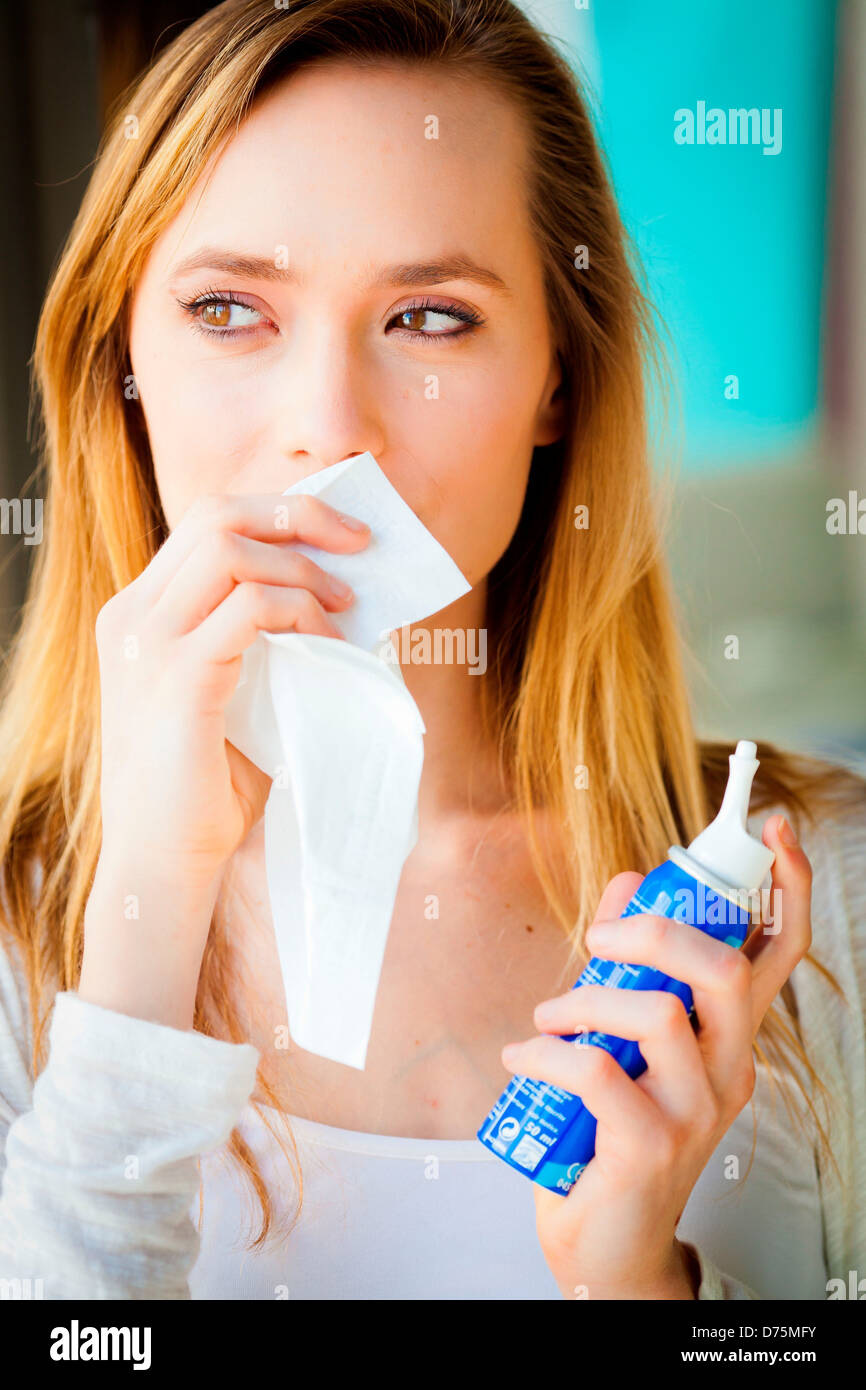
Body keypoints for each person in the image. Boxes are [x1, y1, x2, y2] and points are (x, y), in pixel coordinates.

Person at [0, 0, 863, 1301]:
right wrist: (143, 918)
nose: (327, 428)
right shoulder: (20, 926)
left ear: (556, 382)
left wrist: (642, 1287)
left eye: (429, 319)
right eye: (229, 308)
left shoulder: (824, 899)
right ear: (123, 364)